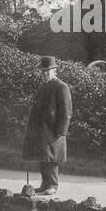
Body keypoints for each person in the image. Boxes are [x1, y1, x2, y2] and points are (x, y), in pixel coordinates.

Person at [22, 56, 72, 195]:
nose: (45, 74)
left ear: (54, 71)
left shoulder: (62, 87)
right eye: (43, 71)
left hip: (54, 131)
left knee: (52, 159)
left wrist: (61, 132)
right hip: (41, 130)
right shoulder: (43, 86)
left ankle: (53, 186)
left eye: (47, 71)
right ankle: (45, 184)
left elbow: (66, 112)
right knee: (43, 157)